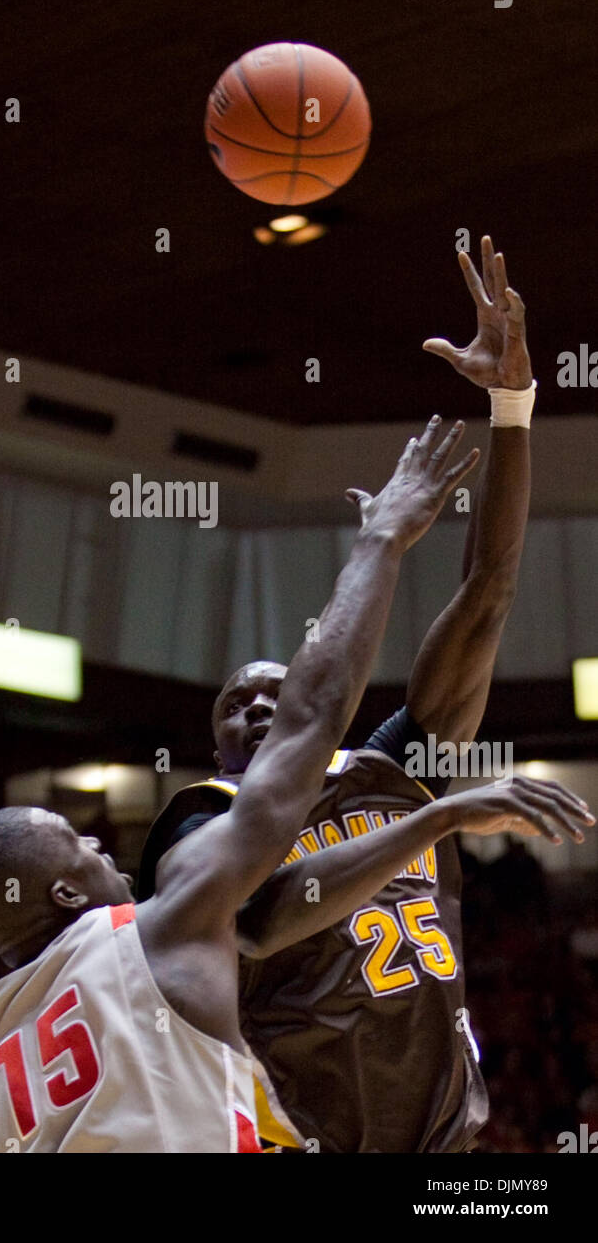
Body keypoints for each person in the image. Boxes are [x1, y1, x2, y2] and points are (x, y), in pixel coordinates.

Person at [0, 418, 483, 1152]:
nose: (103, 848)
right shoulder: (159, 928)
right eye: (80, 845)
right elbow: (311, 717)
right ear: (63, 893)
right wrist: (379, 541)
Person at [138, 237, 547, 1151]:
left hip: (446, 1142)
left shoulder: (388, 771)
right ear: (217, 747)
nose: (254, 705)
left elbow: (489, 591)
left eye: (274, 692)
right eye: (234, 703)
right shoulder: (200, 819)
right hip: (308, 1138)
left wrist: (509, 406)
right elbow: (267, 918)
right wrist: (437, 823)